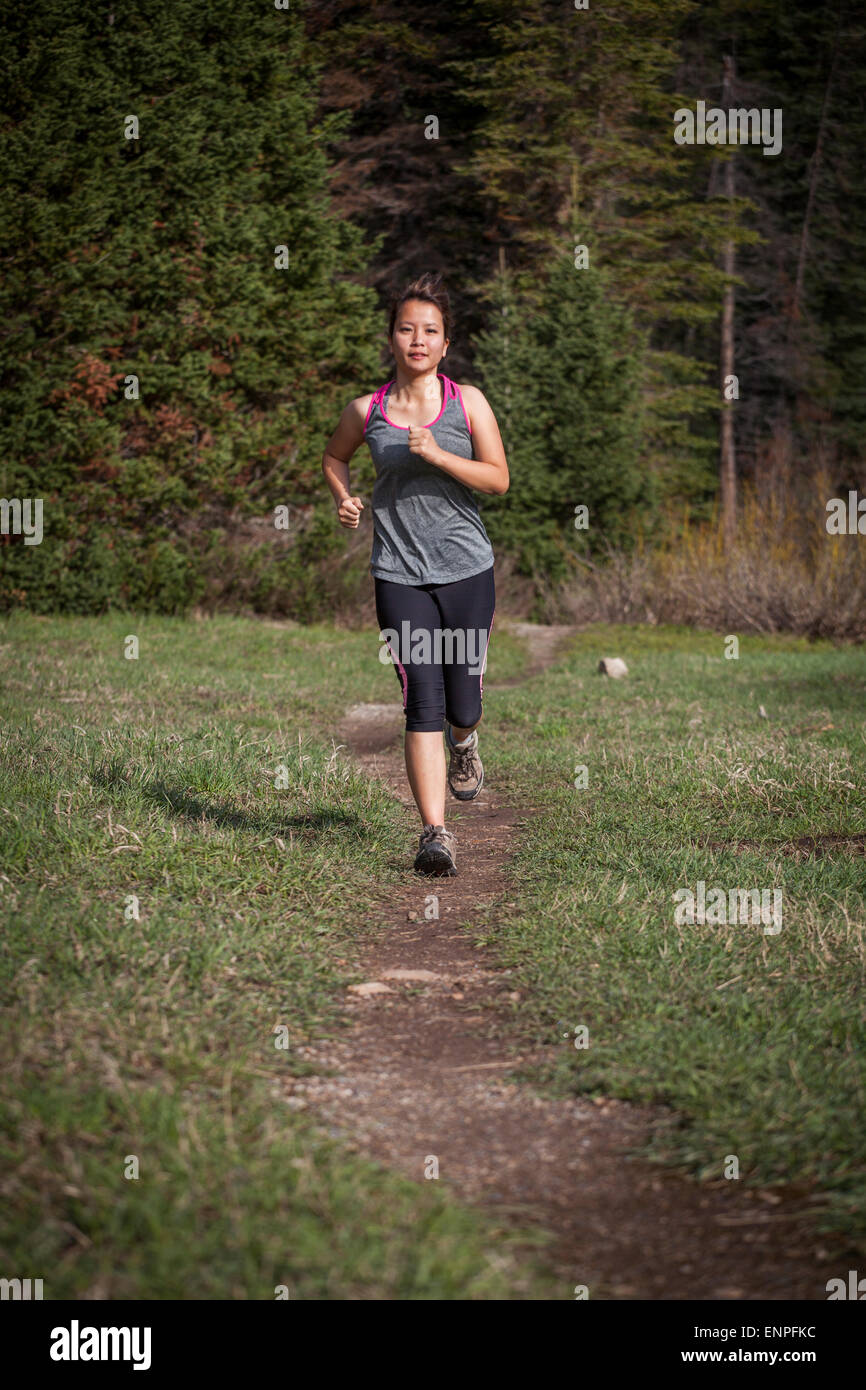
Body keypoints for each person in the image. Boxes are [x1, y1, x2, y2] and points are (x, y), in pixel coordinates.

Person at [321, 272, 509, 876]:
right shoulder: (367, 410)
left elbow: (498, 479)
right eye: (407, 329)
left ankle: (467, 743)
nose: (418, 340)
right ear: (392, 338)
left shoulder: (468, 402)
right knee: (420, 701)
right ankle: (435, 833)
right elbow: (333, 456)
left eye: (430, 330)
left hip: (466, 570)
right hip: (399, 573)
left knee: (462, 699)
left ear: (445, 344)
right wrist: (343, 496)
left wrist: (438, 454)